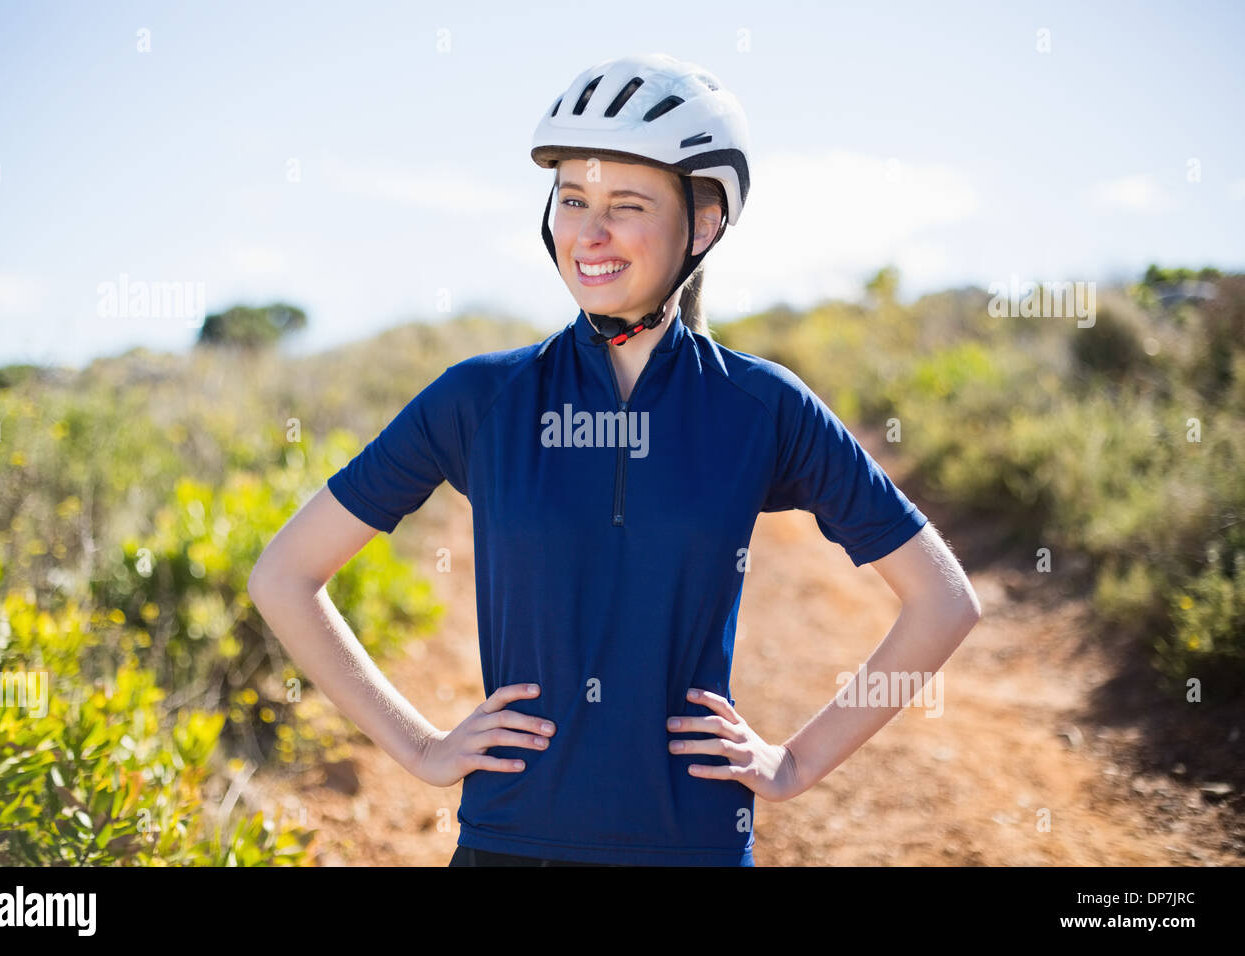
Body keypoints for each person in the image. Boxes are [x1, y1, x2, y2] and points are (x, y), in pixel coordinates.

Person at [248, 53, 981, 868]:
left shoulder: (762, 406)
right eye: (572, 201)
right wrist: (420, 749)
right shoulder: (480, 399)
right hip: (508, 840)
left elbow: (942, 603)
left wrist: (796, 762)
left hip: (692, 844)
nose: (588, 235)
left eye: (626, 205)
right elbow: (283, 576)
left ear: (701, 225)